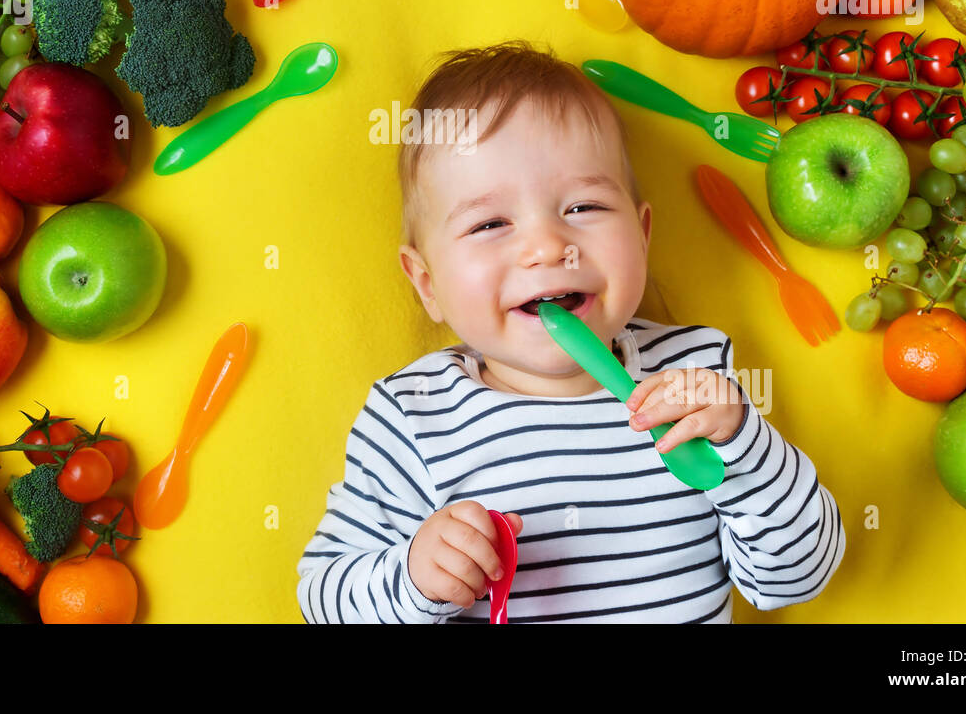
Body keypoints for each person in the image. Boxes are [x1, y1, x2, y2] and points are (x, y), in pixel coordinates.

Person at [297, 41, 844, 623]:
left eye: (583, 207)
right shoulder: (415, 413)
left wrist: (746, 446)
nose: (547, 246)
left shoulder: (698, 377)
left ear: (642, 235)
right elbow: (323, 599)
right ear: (427, 282)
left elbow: (798, 577)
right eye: (490, 223)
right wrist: (414, 579)